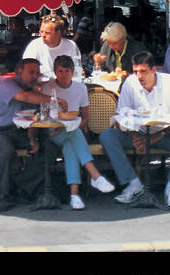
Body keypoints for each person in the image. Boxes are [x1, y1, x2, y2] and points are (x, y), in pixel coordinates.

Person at [99, 50, 170, 208]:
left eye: (143, 71)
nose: (139, 76)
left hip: (165, 135)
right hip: (139, 134)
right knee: (107, 136)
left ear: (154, 70)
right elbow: (119, 118)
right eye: (136, 71)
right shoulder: (130, 83)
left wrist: (157, 136)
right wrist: (135, 135)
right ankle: (134, 184)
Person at [0, 58, 66, 209]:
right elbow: (25, 97)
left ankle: (21, 185)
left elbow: (32, 119)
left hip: (18, 131)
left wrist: (32, 139)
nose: (35, 76)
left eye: (37, 73)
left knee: (50, 147)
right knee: (7, 150)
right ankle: (2, 194)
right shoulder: (8, 84)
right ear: (19, 72)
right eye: (31, 72)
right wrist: (54, 100)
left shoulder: (33, 91)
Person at [40, 55, 115, 209]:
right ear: (55, 72)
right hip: (53, 132)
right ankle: (95, 174)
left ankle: (75, 195)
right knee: (74, 134)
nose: (63, 74)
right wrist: (61, 125)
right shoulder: (48, 88)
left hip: (72, 131)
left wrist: (71, 125)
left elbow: (85, 118)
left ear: (73, 72)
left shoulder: (80, 88)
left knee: (71, 144)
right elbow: (44, 115)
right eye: (60, 71)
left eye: (67, 70)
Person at [23, 14, 82, 80]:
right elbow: (26, 72)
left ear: (58, 33)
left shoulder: (71, 46)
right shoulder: (34, 45)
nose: (43, 35)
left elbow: (77, 72)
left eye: (47, 33)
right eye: (41, 32)